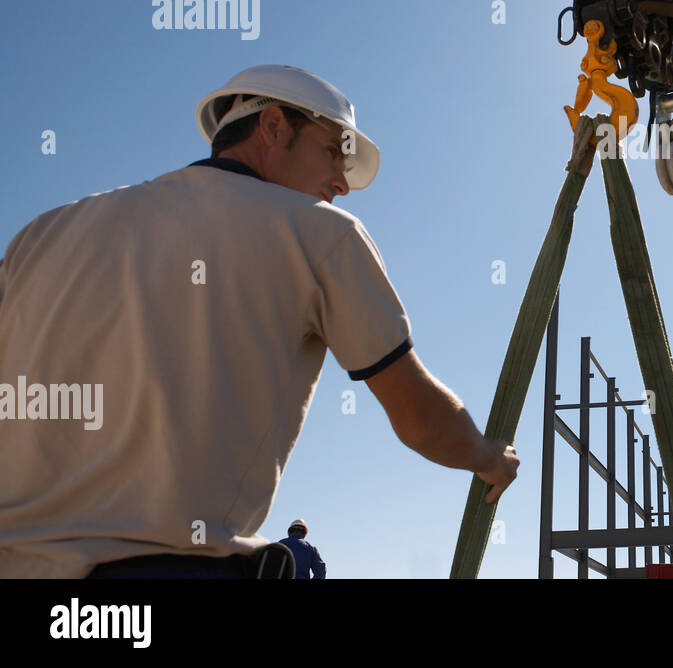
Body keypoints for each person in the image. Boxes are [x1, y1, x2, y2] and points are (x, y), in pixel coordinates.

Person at [0, 65, 518, 578]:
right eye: (333, 151)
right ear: (273, 127)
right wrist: (487, 456)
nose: (342, 181)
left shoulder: (40, 235)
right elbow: (420, 419)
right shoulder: (318, 233)